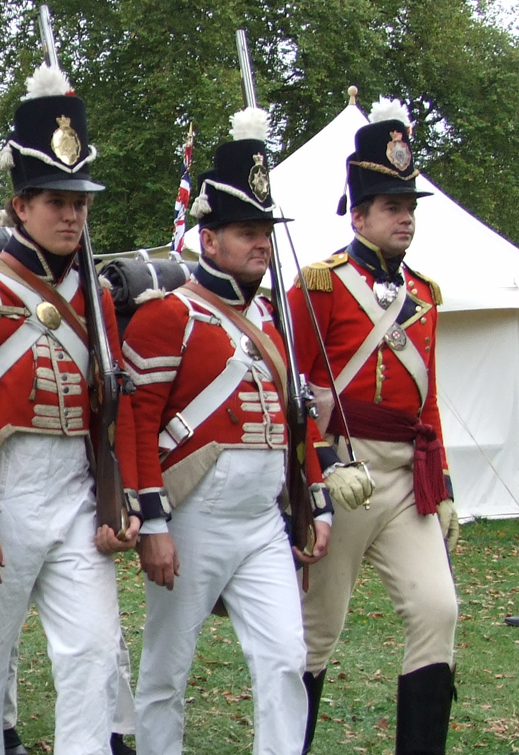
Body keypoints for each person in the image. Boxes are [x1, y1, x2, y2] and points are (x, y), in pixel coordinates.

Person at [0, 62, 140, 755]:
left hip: (75, 493)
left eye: (79, 202)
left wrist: (122, 499)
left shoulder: (95, 299)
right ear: (19, 205)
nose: (71, 216)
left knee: (93, 655)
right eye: (55, 202)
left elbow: (113, 407)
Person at [123, 107, 353, 755]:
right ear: (209, 239)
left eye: (264, 232)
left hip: (260, 523)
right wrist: (153, 523)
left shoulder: (274, 321)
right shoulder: (167, 316)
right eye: (246, 231)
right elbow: (137, 426)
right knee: (166, 668)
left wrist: (316, 500)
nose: (260, 244)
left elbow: (296, 422)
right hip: (192, 518)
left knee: (285, 658)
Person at [288, 97, 459, 755]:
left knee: (437, 609)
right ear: (357, 214)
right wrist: (320, 470)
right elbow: (292, 389)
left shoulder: (425, 296)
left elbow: (428, 402)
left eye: (409, 205)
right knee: (317, 630)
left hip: (406, 477)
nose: (405, 217)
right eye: (391, 206)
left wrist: (443, 486)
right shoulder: (321, 285)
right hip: (343, 470)